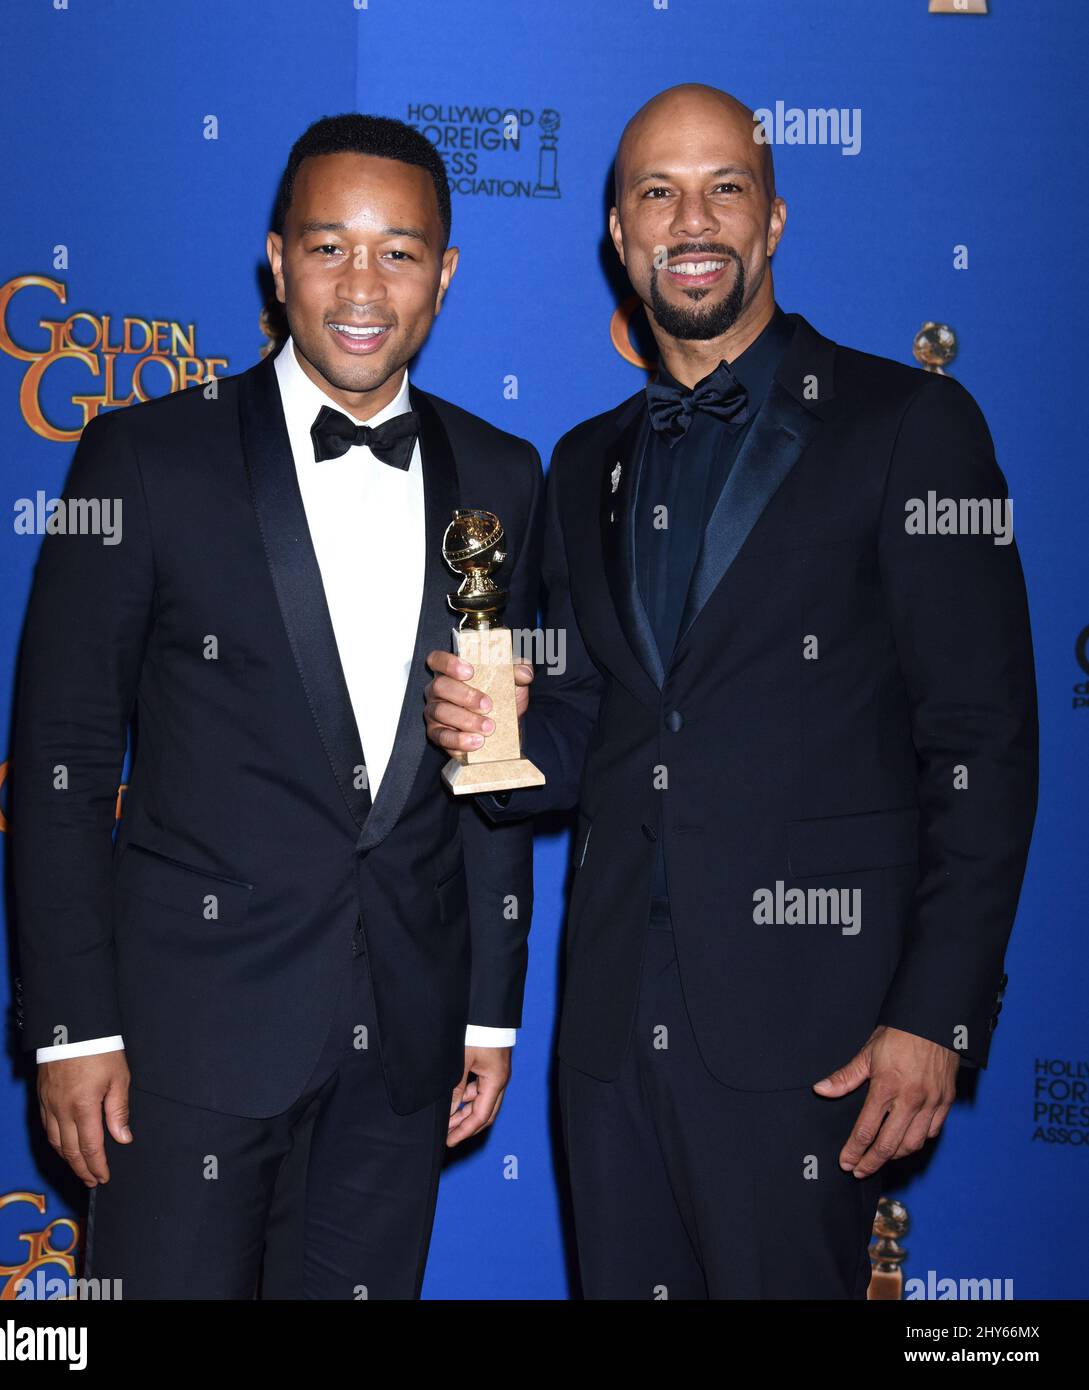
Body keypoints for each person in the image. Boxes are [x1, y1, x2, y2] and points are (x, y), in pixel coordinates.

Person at [424, 84, 1038, 1299]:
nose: (690, 219)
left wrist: (935, 1016)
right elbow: (602, 721)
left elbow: (983, 743)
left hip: (813, 1037)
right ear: (617, 231)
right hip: (607, 1042)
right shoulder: (586, 459)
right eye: (658, 191)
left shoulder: (907, 423)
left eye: (724, 188)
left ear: (773, 219)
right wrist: (491, 742)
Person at [10, 113, 541, 1299]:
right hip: (182, 1046)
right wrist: (73, 1028)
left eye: (399, 252)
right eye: (328, 247)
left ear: (445, 273)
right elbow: (64, 759)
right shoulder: (143, 457)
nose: (363, 286)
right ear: (276, 259)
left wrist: (490, 1011)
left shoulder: (502, 476)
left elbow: (491, 757)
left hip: (402, 1045)